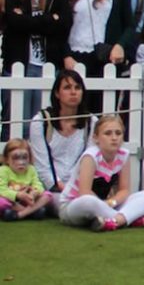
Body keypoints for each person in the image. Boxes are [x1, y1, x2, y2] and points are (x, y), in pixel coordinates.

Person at [1, 0, 71, 121]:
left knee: (43, 121)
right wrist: (48, 20)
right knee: (16, 120)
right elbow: (13, 22)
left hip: (48, 61)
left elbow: (63, 22)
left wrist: (28, 19)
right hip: (19, 60)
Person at [56, 114, 144, 231]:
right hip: (74, 205)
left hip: (107, 204)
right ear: (96, 138)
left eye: (118, 133)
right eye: (108, 133)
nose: (114, 138)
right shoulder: (91, 156)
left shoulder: (124, 155)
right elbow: (84, 192)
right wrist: (105, 205)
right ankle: (128, 219)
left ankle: (113, 221)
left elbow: (124, 190)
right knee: (89, 202)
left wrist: (112, 202)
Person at [29, 69, 96, 200]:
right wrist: (62, 188)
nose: (73, 92)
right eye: (67, 88)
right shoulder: (40, 122)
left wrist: (78, 188)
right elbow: (42, 167)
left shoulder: (91, 122)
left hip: (81, 187)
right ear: (57, 93)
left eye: (77, 88)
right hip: (49, 191)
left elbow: (89, 162)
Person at [0, 138, 51, 219]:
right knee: (1, 202)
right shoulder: (3, 170)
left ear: (29, 158)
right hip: (12, 202)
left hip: (28, 201)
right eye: (15, 158)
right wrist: (18, 195)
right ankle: (32, 212)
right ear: (7, 159)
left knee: (48, 195)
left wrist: (34, 192)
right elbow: (1, 190)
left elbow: (38, 185)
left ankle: (20, 215)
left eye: (24, 158)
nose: (21, 162)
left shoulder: (31, 169)